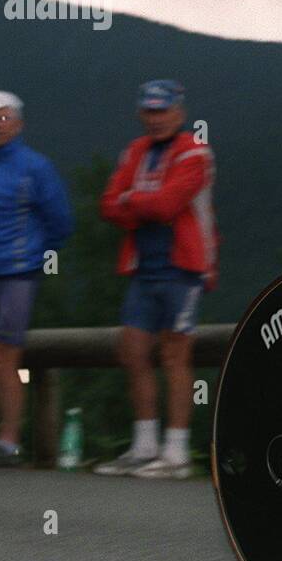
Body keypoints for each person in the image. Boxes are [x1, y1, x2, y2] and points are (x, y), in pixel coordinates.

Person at [97, 80, 217, 479]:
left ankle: (177, 452)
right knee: (132, 351)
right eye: (150, 111)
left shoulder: (196, 152)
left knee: (174, 354)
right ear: (141, 114)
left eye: (163, 111)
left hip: (184, 267)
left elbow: (167, 205)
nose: (156, 118)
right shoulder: (135, 151)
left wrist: (133, 200)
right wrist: (136, 203)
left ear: (179, 113)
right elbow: (108, 205)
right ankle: (144, 445)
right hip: (142, 267)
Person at [0, 91, 73, 467]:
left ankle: (8, 442)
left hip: (17, 275)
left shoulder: (36, 166)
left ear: (18, 123)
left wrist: (33, 256)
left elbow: (61, 223)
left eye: (1, 118)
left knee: (4, 357)